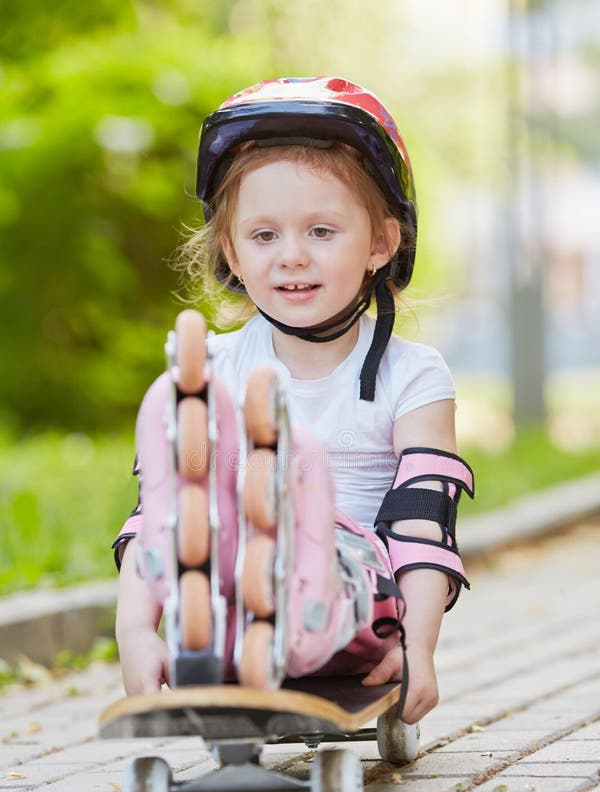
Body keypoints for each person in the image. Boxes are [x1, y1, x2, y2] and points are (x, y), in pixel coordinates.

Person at [112, 77, 474, 726]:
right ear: (231, 252)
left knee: (321, 531)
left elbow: (424, 526)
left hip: (357, 599)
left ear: (380, 245)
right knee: (191, 496)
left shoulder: (413, 375)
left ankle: (278, 589)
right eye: (264, 236)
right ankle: (235, 611)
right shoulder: (213, 366)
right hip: (224, 582)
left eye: (321, 230)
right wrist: (137, 631)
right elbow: (156, 519)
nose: (293, 257)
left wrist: (416, 649)